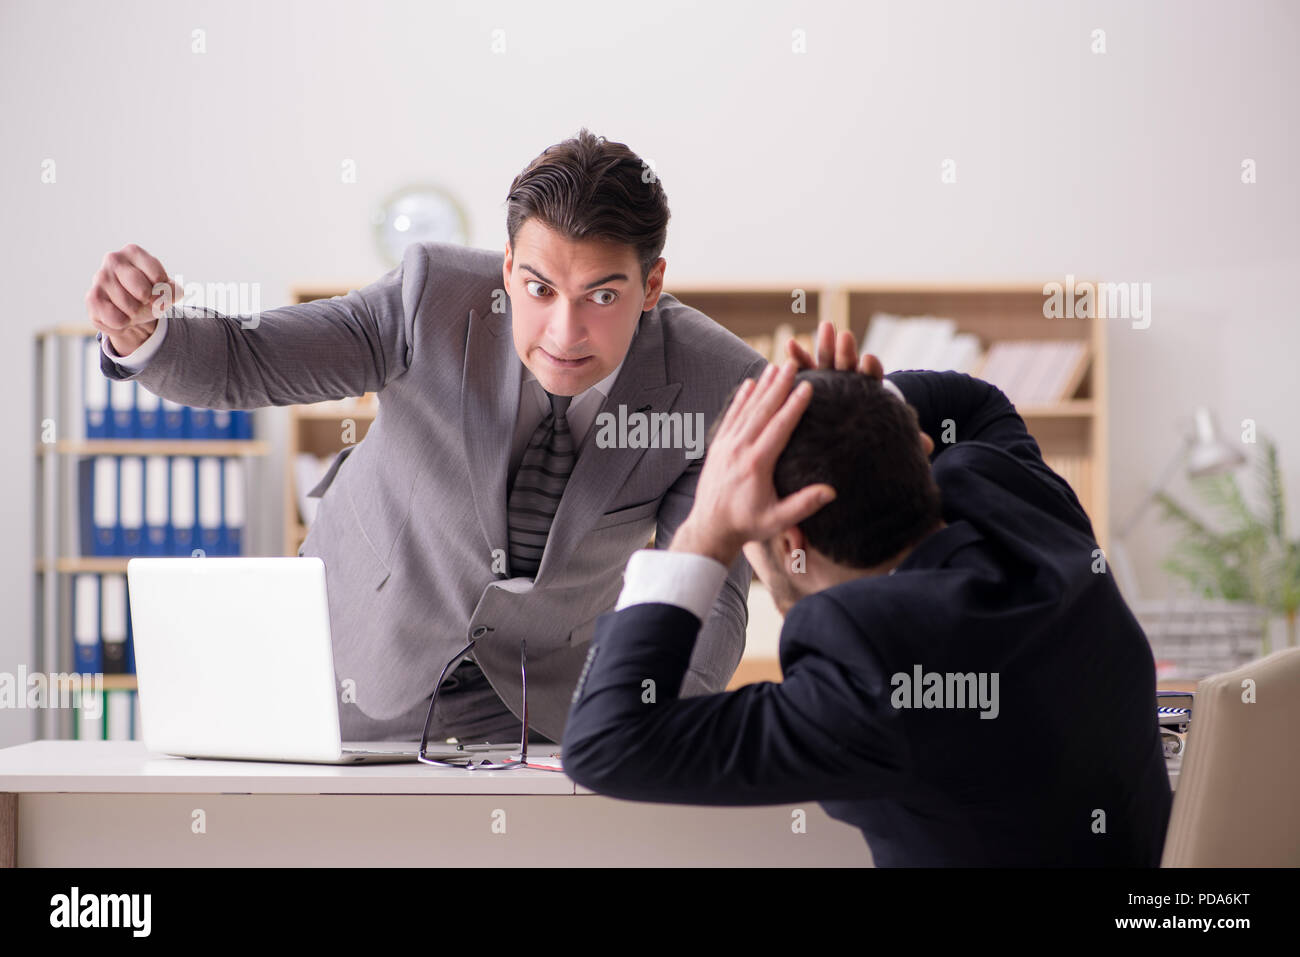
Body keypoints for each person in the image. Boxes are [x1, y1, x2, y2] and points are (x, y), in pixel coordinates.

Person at [84, 129, 766, 745]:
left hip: (531, 710)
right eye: (539, 289)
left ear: (652, 286)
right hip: (348, 667)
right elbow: (251, 358)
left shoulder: (718, 385)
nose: (563, 332)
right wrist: (149, 333)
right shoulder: (430, 297)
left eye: (602, 295)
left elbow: (709, 585)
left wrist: (661, 722)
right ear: (506, 268)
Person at [562, 321, 1173, 866]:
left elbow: (606, 744)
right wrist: (858, 411)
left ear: (790, 534)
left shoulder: (871, 665)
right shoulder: (1024, 511)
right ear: (919, 452)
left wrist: (703, 533)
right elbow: (976, 401)